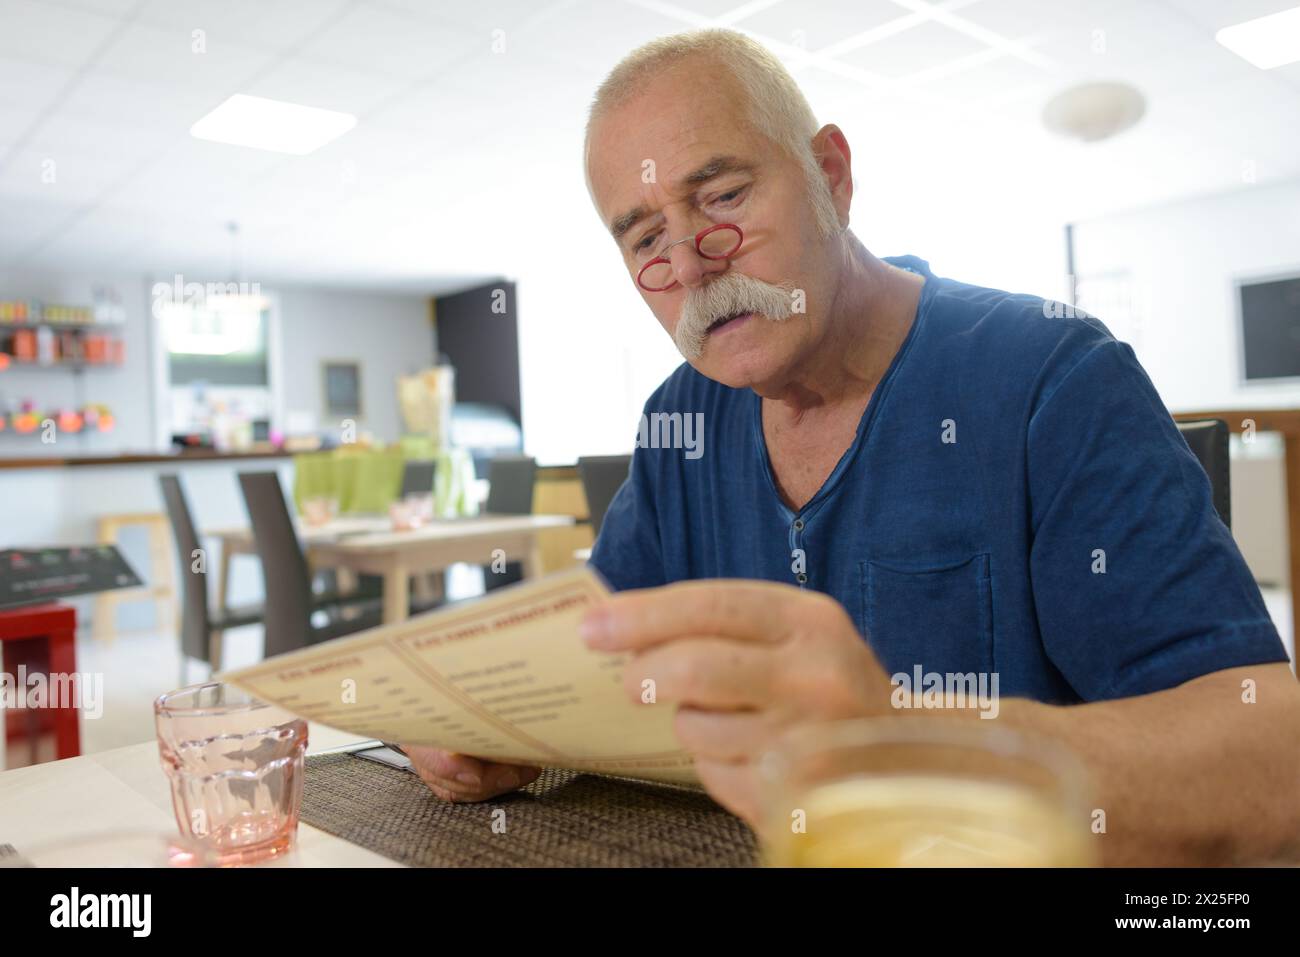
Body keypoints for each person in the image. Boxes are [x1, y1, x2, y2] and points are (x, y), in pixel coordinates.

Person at [405, 29, 1300, 865]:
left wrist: (902, 736)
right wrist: (497, 721)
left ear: (829, 173)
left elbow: (1270, 758)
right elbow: (593, 671)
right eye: (645, 238)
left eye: (720, 196)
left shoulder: (1049, 377)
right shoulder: (679, 421)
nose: (690, 264)